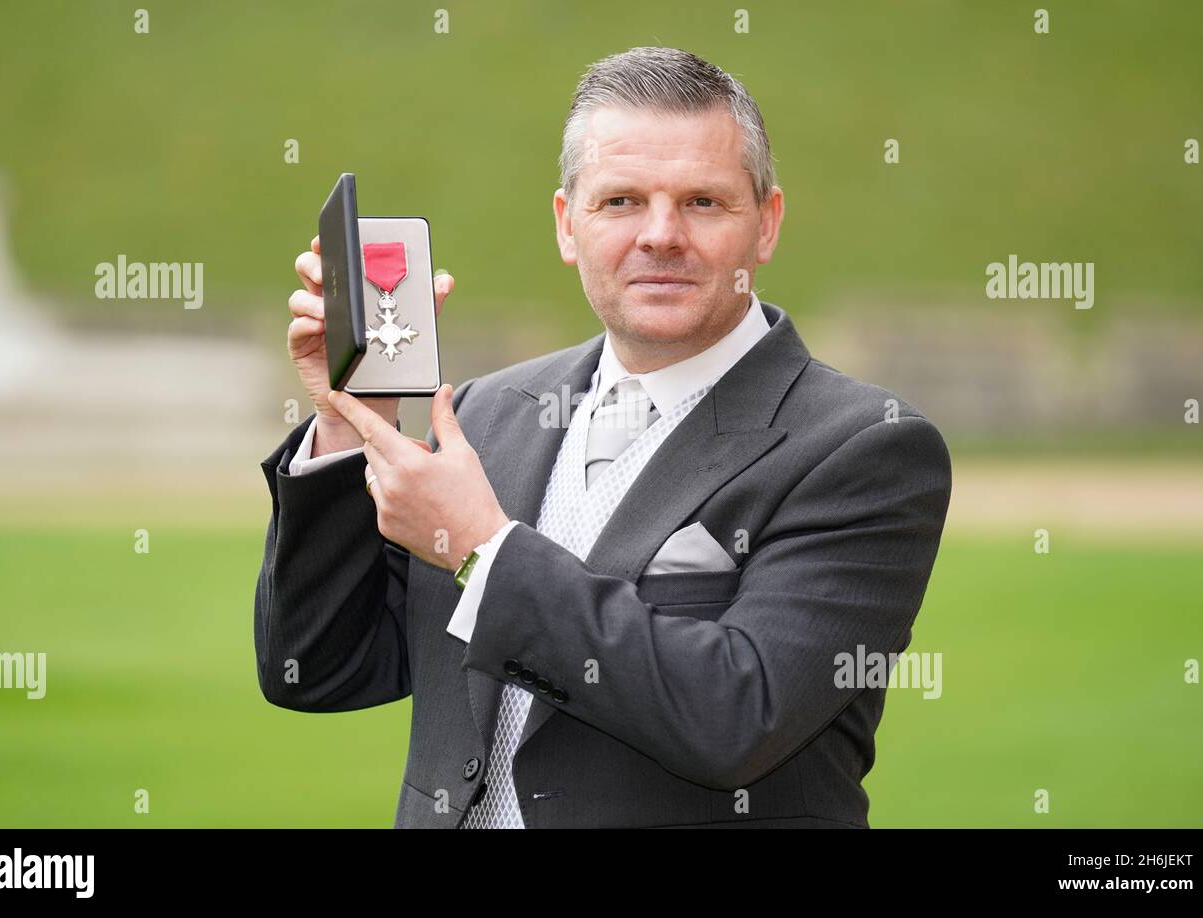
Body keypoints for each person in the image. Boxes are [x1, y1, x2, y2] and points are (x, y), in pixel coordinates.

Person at [255, 46, 952, 828]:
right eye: (620, 201)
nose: (660, 235)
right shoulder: (488, 413)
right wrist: (352, 423)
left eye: (702, 203)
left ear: (767, 224)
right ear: (567, 224)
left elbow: (737, 717)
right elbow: (316, 670)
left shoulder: (865, 447)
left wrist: (485, 550)